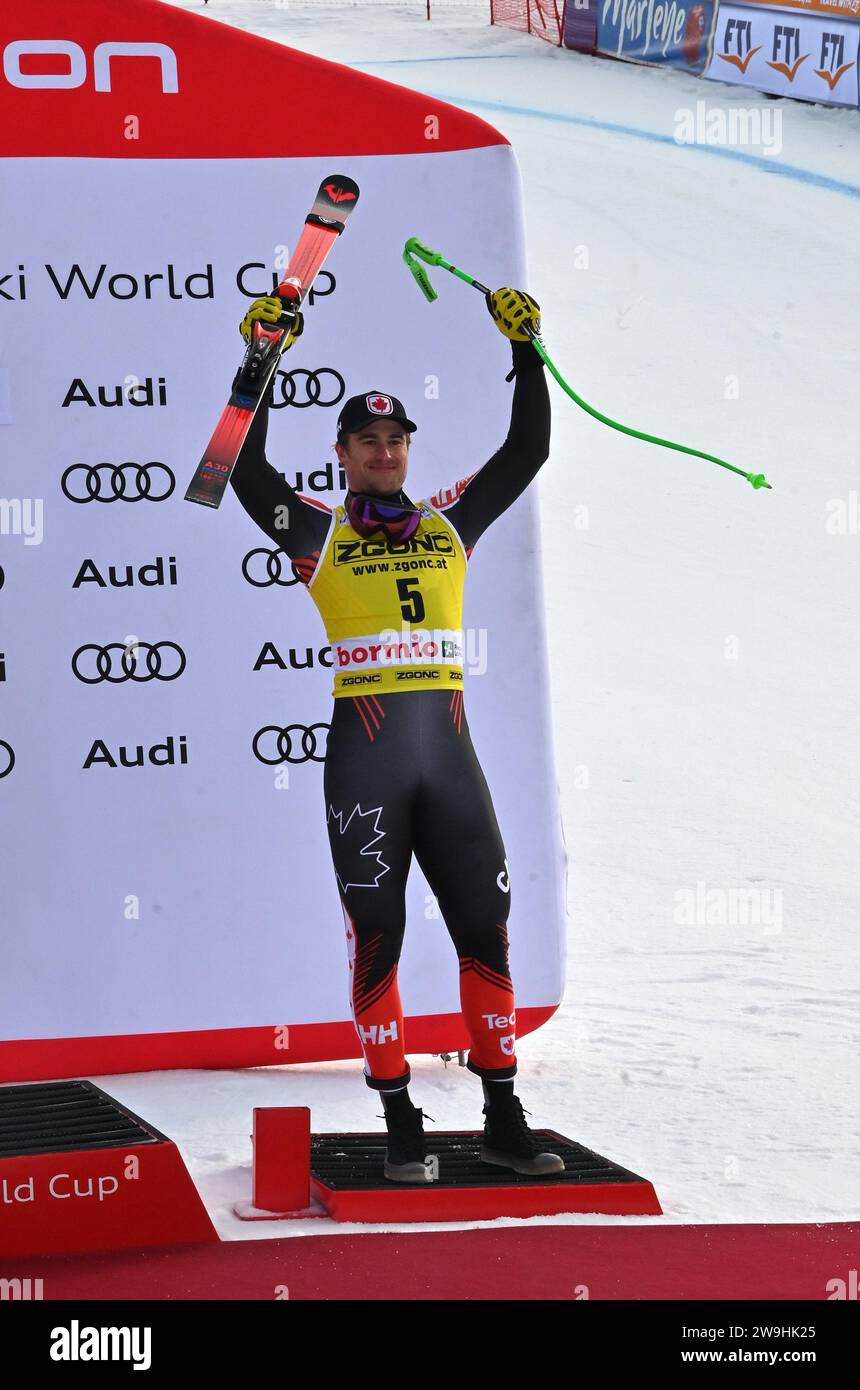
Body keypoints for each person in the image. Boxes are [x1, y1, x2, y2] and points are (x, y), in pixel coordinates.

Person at [230, 287, 564, 1182]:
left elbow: (526, 449)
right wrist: (261, 357)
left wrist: (526, 348)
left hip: (450, 763)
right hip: (368, 765)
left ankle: (501, 1111)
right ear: (342, 454)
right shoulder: (319, 533)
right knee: (377, 937)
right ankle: (399, 1117)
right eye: (368, 442)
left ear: (408, 447)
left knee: (485, 928)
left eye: (397, 440)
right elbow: (241, 471)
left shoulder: (448, 522)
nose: (385, 452)